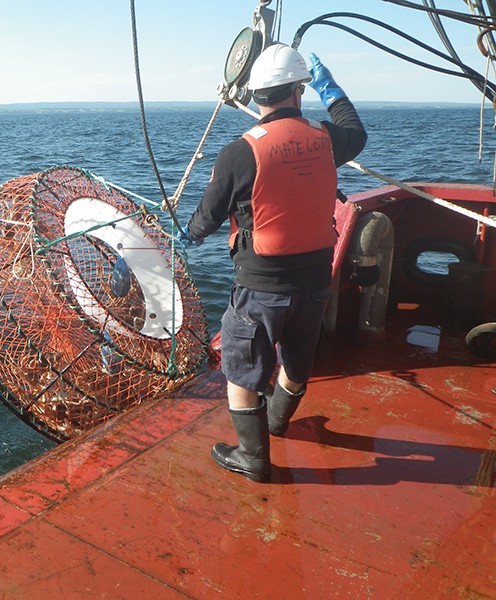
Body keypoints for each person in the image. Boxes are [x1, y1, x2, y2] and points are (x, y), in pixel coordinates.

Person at [182, 44, 367, 483]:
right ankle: (279, 421)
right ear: (299, 91)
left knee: (242, 372)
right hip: (316, 282)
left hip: (260, 288)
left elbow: (206, 219)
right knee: (299, 359)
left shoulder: (238, 153)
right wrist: (330, 86)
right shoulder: (327, 139)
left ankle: (253, 458)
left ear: (254, 97)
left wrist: (185, 234)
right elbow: (355, 130)